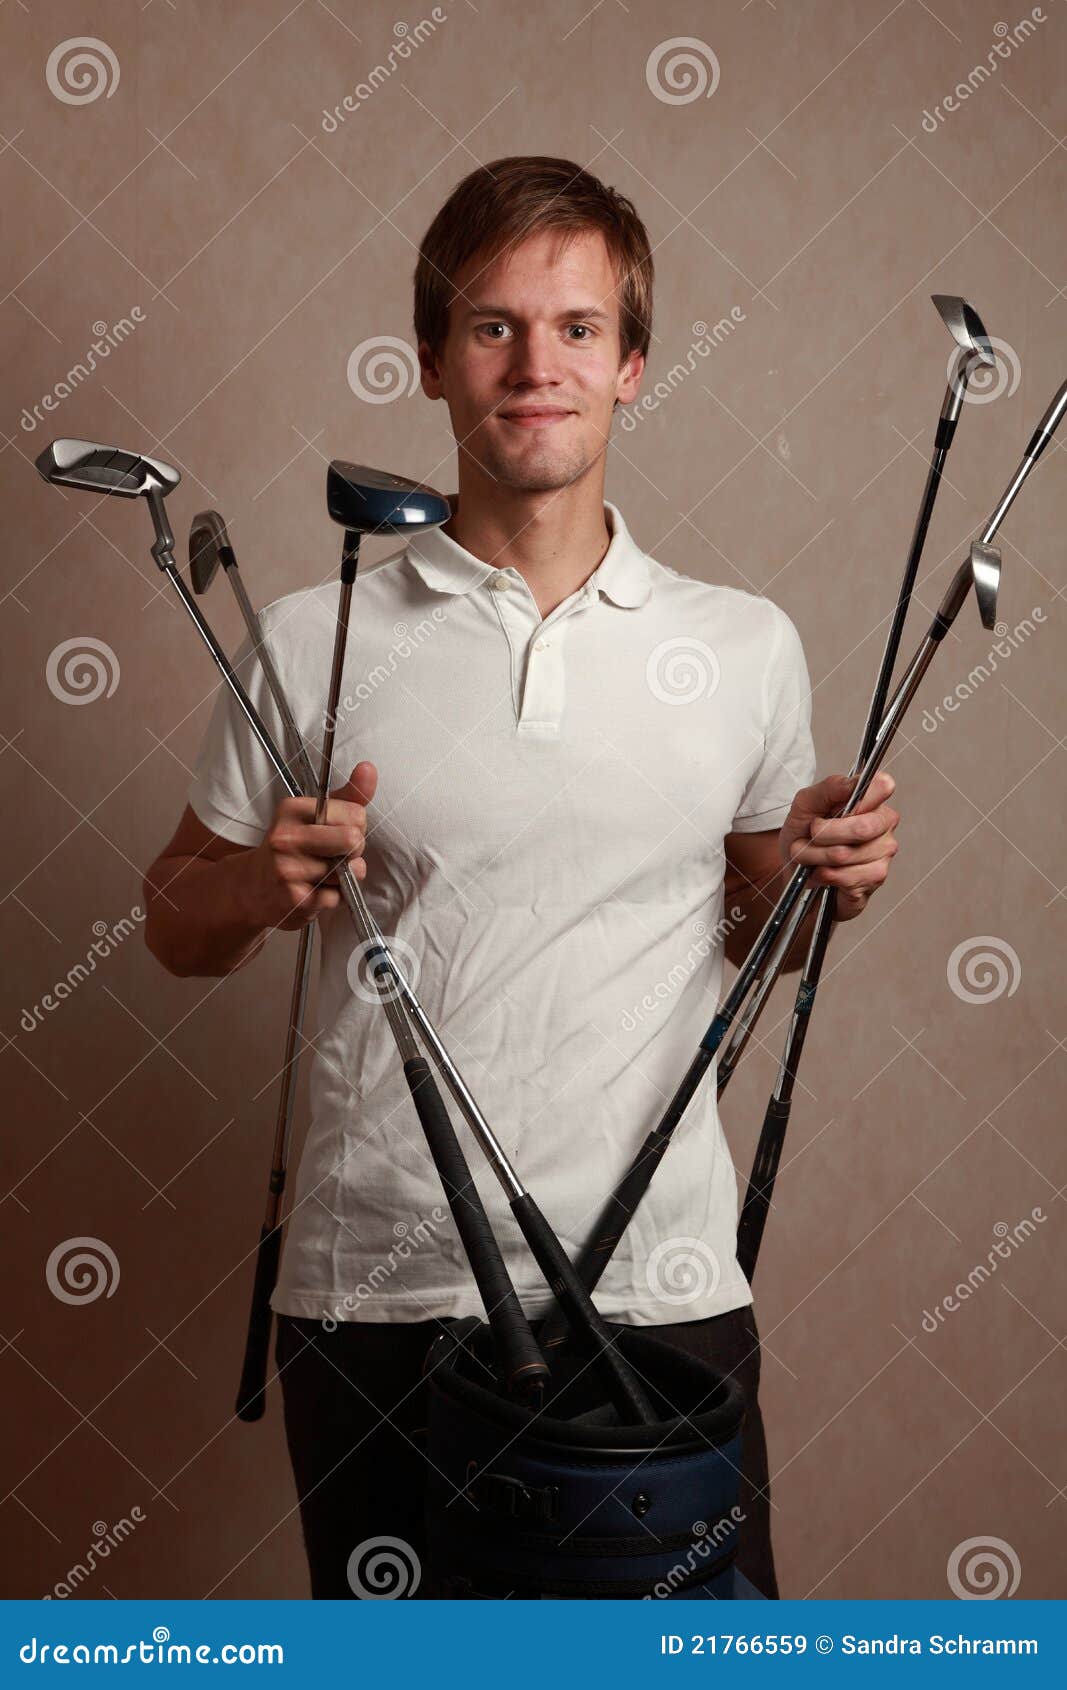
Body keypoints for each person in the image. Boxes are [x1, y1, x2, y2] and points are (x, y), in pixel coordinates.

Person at [143, 156, 900, 1600]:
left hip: (662, 1293)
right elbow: (177, 919)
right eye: (492, 326)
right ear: (432, 359)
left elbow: (758, 927)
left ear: (633, 368)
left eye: (576, 328)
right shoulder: (316, 635)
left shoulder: (740, 645)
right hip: (379, 1297)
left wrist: (827, 881)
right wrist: (259, 888)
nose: (535, 365)